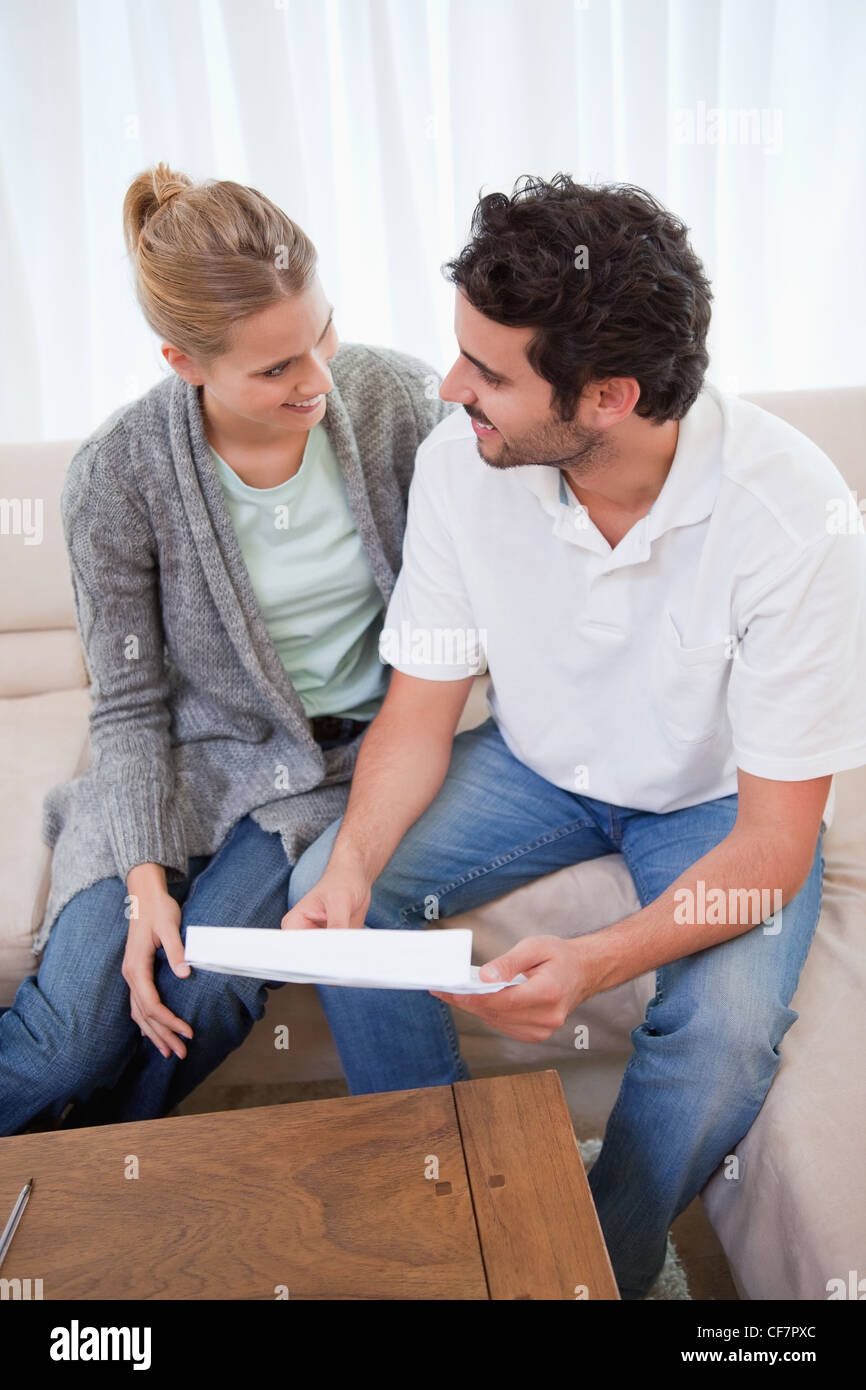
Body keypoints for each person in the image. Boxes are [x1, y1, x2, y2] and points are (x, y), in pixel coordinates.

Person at [282, 174, 866, 1298]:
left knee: (727, 1030)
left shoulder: (791, 515)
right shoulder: (463, 462)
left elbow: (773, 844)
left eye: (487, 374)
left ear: (606, 397)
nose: (448, 387)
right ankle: (448, 1203)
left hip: (713, 807)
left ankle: (589, 1260)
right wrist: (352, 864)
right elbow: (416, 709)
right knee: (336, 884)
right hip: (538, 769)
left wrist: (592, 961)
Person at [0, 162, 451, 1135]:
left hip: (331, 770)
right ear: (183, 361)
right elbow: (125, 707)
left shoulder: (397, 406)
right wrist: (145, 883)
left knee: (201, 994)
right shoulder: (116, 476)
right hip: (185, 763)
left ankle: (91, 1186)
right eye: (276, 367)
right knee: (69, 1039)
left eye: (320, 331)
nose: (319, 378)